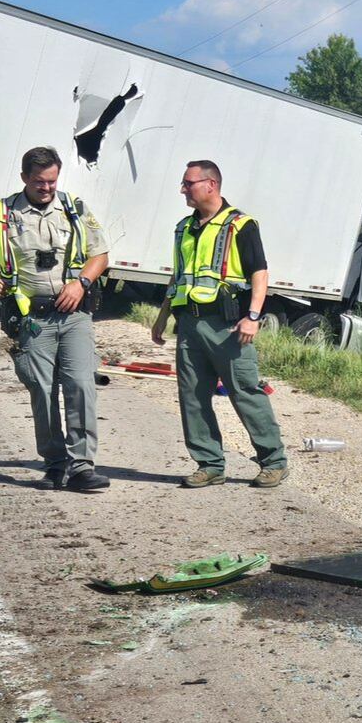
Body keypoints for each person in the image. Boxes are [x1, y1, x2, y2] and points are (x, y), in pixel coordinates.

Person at [0, 145, 113, 492]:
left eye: (52, 181)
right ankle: (55, 464)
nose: (47, 188)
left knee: (81, 387)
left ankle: (82, 467)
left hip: (75, 314)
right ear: (24, 178)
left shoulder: (75, 210)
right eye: (39, 182)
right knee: (41, 391)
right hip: (33, 319)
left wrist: (81, 282)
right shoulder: (1, 214)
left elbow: (100, 253)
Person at [151, 159, 287, 488]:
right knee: (193, 396)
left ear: (211, 185)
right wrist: (162, 316)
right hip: (190, 324)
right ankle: (210, 464)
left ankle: (274, 461)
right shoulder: (184, 227)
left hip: (228, 326)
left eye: (189, 183)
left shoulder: (240, 225)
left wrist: (253, 316)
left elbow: (260, 272)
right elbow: (179, 275)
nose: (183, 189)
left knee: (245, 391)